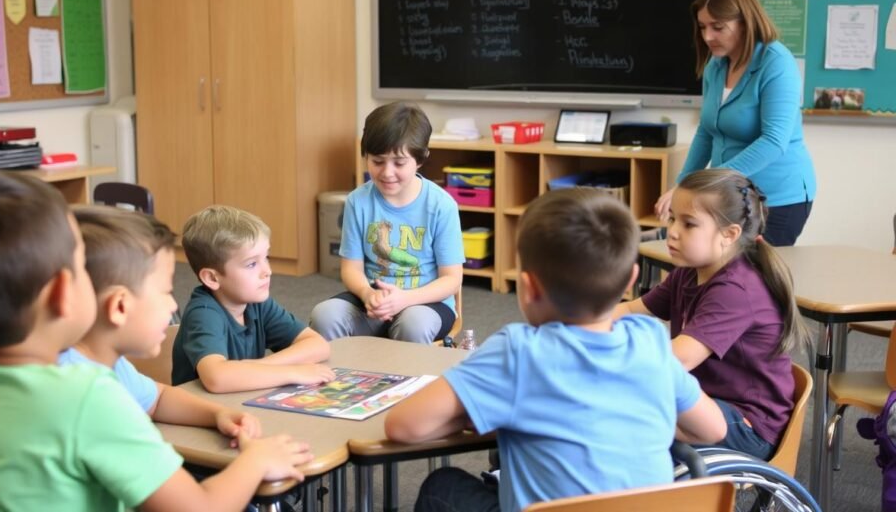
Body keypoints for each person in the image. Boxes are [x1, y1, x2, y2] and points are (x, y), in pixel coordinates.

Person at [0, 171, 313, 512]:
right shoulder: (87, 399)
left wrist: (214, 415)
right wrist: (256, 461)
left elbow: (153, 397)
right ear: (64, 292)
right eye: (82, 265)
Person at [385, 188, 726, 512]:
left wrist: (481, 413)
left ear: (528, 287)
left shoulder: (517, 351)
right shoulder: (650, 340)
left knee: (442, 487)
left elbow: (403, 426)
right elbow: (712, 430)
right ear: (629, 280)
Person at [620, 169, 808, 460]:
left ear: (729, 235)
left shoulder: (736, 289)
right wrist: (581, 324)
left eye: (689, 224)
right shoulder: (687, 272)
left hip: (747, 425)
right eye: (672, 218)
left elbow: (677, 359)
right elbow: (632, 309)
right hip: (706, 402)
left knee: (624, 413)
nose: (672, 231)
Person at [59, 205, 261, 444]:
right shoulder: (88, 394)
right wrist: (255, 464)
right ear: (120, 307)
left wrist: (218, 414)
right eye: (165, 292)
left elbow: (158, 399)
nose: (173, 306)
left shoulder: (108, 364)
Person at [655, 0, 816, 246]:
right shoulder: (715, 67)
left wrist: (709, 183)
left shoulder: (776, 63)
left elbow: (774, 141)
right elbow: (707, 132)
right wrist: (683, 185)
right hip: (729, 194)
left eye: (718, 27)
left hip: (777, 198)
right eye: (703, 27)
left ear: (745, 21)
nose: (707, 37)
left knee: (750, 282)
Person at [310, 102, 464, 344]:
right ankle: (340, 379)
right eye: (378, 161)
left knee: (413, 324)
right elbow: (351, 269)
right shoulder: (357, 201)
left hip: (425, 303)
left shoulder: (441, 205)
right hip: (371, 303)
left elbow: (452, 280)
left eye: (399, 163)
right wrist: (367, 293)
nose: (387, 172)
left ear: (420, 159)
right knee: (325, 315)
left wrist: (404, 299)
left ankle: (409, 382)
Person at [172, 204, 334, 392]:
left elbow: (318, 345)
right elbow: (217, 378)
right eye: (251, 264)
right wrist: (291, 372)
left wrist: (262, 367)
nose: (267, 271)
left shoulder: (257, 303)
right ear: (212, 278)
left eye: (266, 257)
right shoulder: (204, 313)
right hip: (202, 414)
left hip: (242, 403)